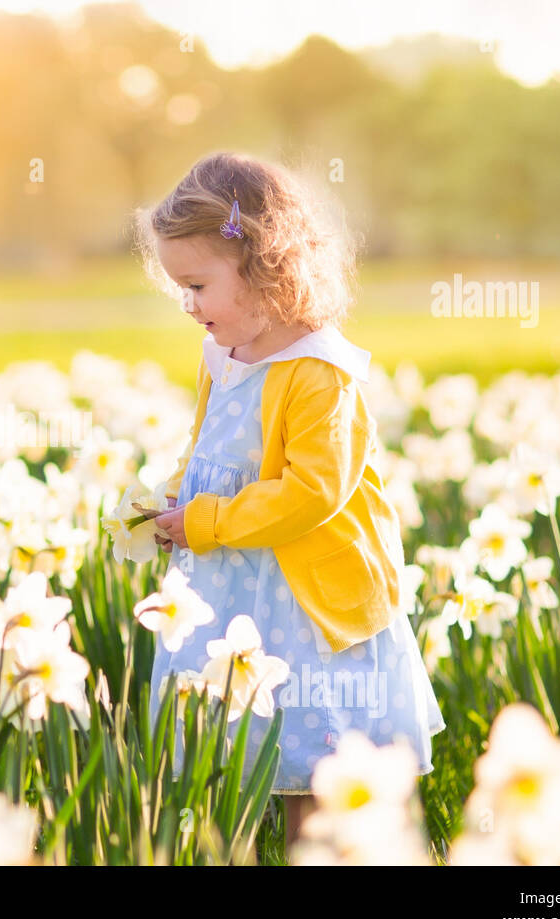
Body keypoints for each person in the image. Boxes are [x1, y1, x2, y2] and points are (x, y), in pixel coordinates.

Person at [133, 151, 445, 856]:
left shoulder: (318, 371)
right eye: (179, 287)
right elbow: (208, 448)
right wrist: (178, 498)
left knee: (315, 772)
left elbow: (312, 494)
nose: (188, 305)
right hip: (230, 586)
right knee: (233, 762)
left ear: (265, 267)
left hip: (307, 608)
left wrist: (206, 521)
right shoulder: (225, 353)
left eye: (197, 285)